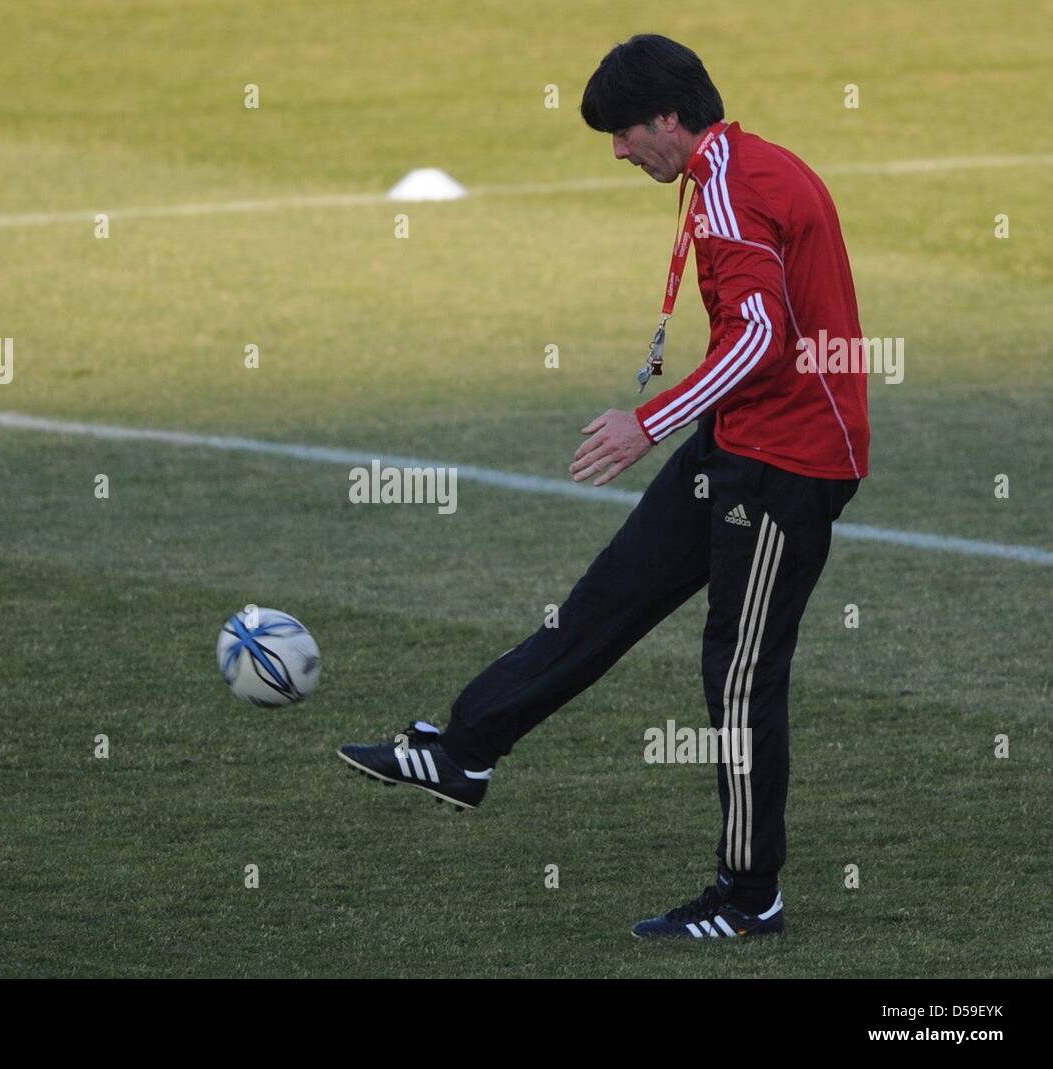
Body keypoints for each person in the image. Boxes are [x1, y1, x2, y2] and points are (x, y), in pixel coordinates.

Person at [337, 34, 868, 940]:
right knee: (604, 601)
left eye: (624, 133)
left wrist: (644, 422)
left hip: (790, 463)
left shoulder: (736, 192)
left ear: (668, 117)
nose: (619, 151)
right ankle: (465, 753)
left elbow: (759, 341)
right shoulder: (735, 167)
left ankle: (751, 896)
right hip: (738, 440)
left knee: (738, 681)